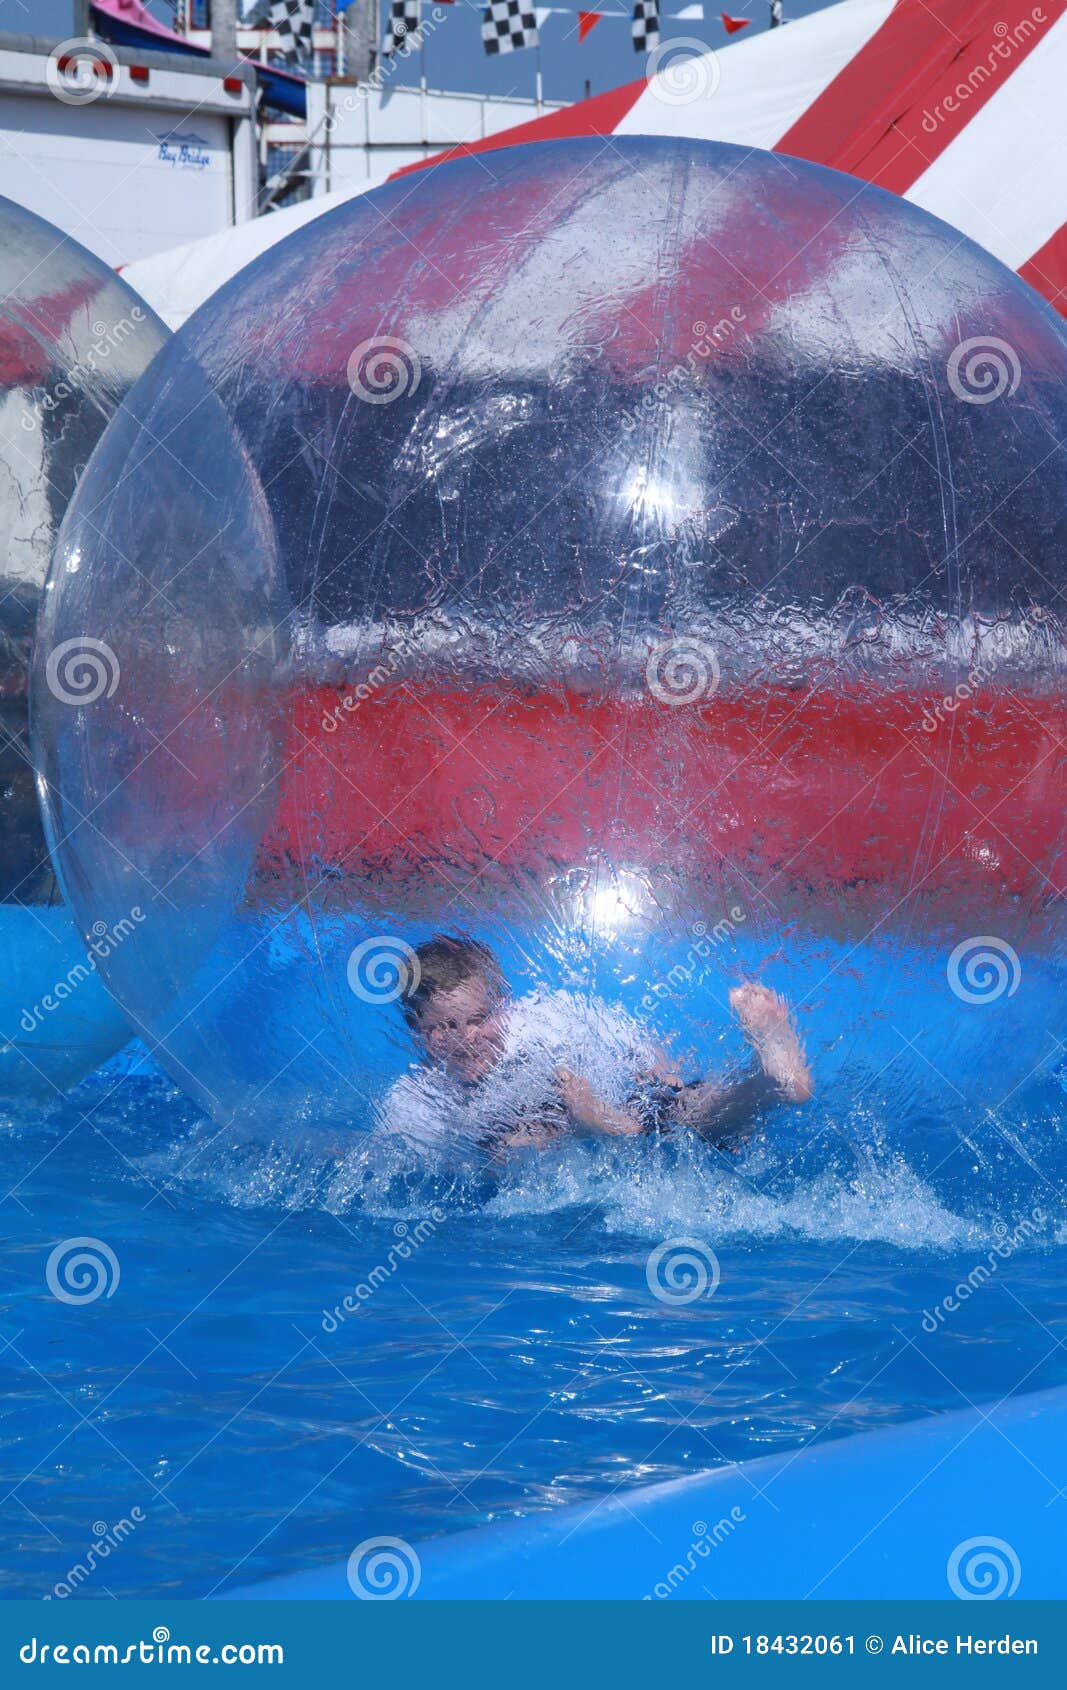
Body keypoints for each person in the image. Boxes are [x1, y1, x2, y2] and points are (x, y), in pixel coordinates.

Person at [375, 934, 812, 1158]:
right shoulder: (416, 1100)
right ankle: (761, 1087)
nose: (468, 1038)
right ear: (417, 1033)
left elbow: (646, 1055)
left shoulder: (546, 1019)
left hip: (599, 1100)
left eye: (479, 1019)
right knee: (503, 1143)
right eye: (446, 1027)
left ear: (505, 1009)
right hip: (569, 1119)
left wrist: (667, 1080)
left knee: (677, 1105)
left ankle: (772, 1080)